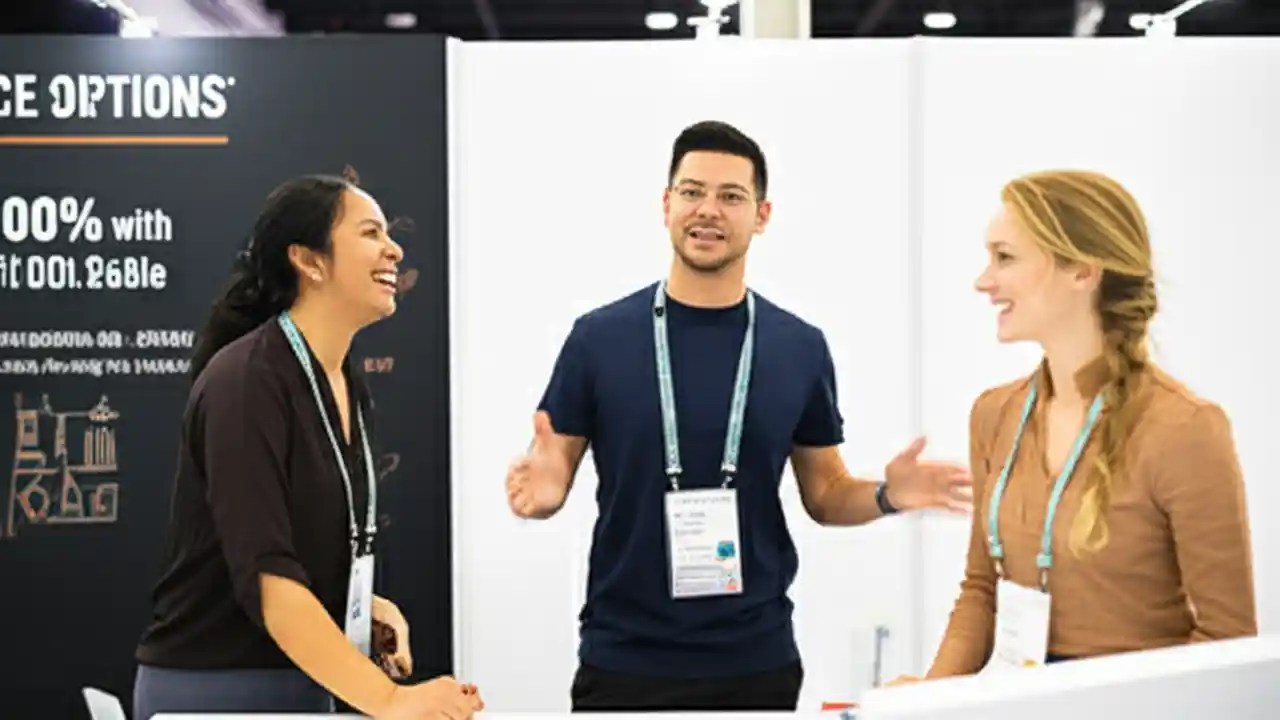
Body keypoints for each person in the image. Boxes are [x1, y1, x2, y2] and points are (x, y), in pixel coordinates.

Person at [505, 120, 973, 711]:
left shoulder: (799, 347)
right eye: (693, 191)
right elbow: (552, 473)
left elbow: (825, 493)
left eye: (731, 196)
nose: (709, 210)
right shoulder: (598, 339)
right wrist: (541, 492)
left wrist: (889, 495)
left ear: (762, 214)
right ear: (666, 203)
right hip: (624, 660)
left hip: (757, 661)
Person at [134, 170, 483, 720]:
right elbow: (270, 582)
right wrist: (391, 700)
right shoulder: (246, 381)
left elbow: (303, 556)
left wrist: (364, 608)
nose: (394, 249)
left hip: (305, 684)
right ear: (310, 261)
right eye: (370, 233)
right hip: (220, 692)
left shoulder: (344, 381)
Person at [900, 169, 1256, 681]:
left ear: (1083, 271)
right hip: (1017, 700)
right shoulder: (994, 414)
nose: (983, 280)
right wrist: (926, 701)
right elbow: (982, 592)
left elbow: (1227, 642)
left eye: (1005, 257)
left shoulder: (1185, 429)